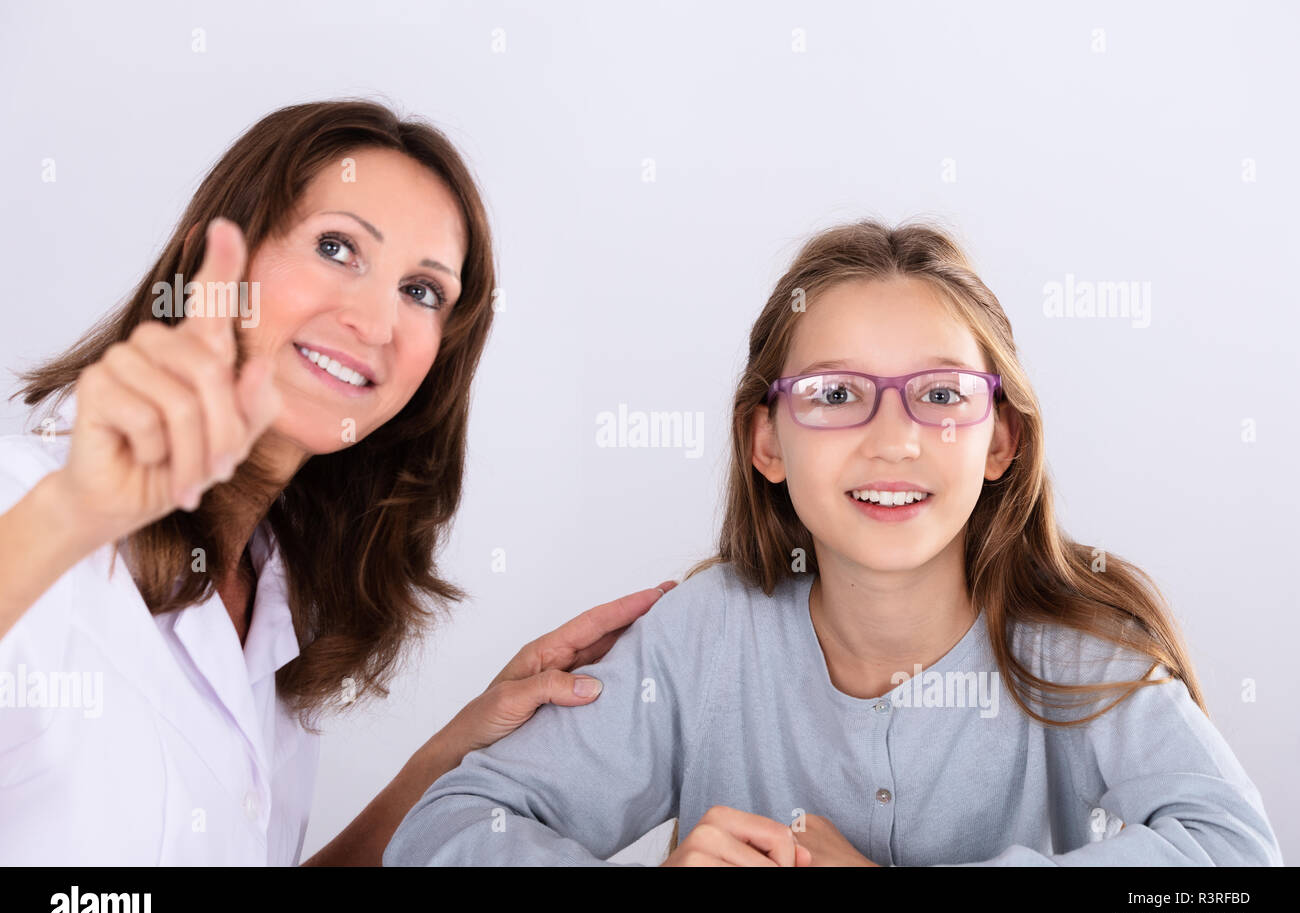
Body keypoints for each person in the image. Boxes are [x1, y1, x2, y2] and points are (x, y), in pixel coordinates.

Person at [383, 218, 1284, 866]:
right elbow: (449, 828)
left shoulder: (1076, 651)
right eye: (834, 394)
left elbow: (1230, 870)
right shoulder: (702, 639)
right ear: (766, 443)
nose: (893, 438)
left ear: (1000, 440)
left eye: (939, 395)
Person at [0, 98, 673, 865]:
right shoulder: (24, 505)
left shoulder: (274, 594)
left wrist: (456, 752)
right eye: (336, 247)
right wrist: (69, 515)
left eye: (421, 291)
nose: (375, 320)